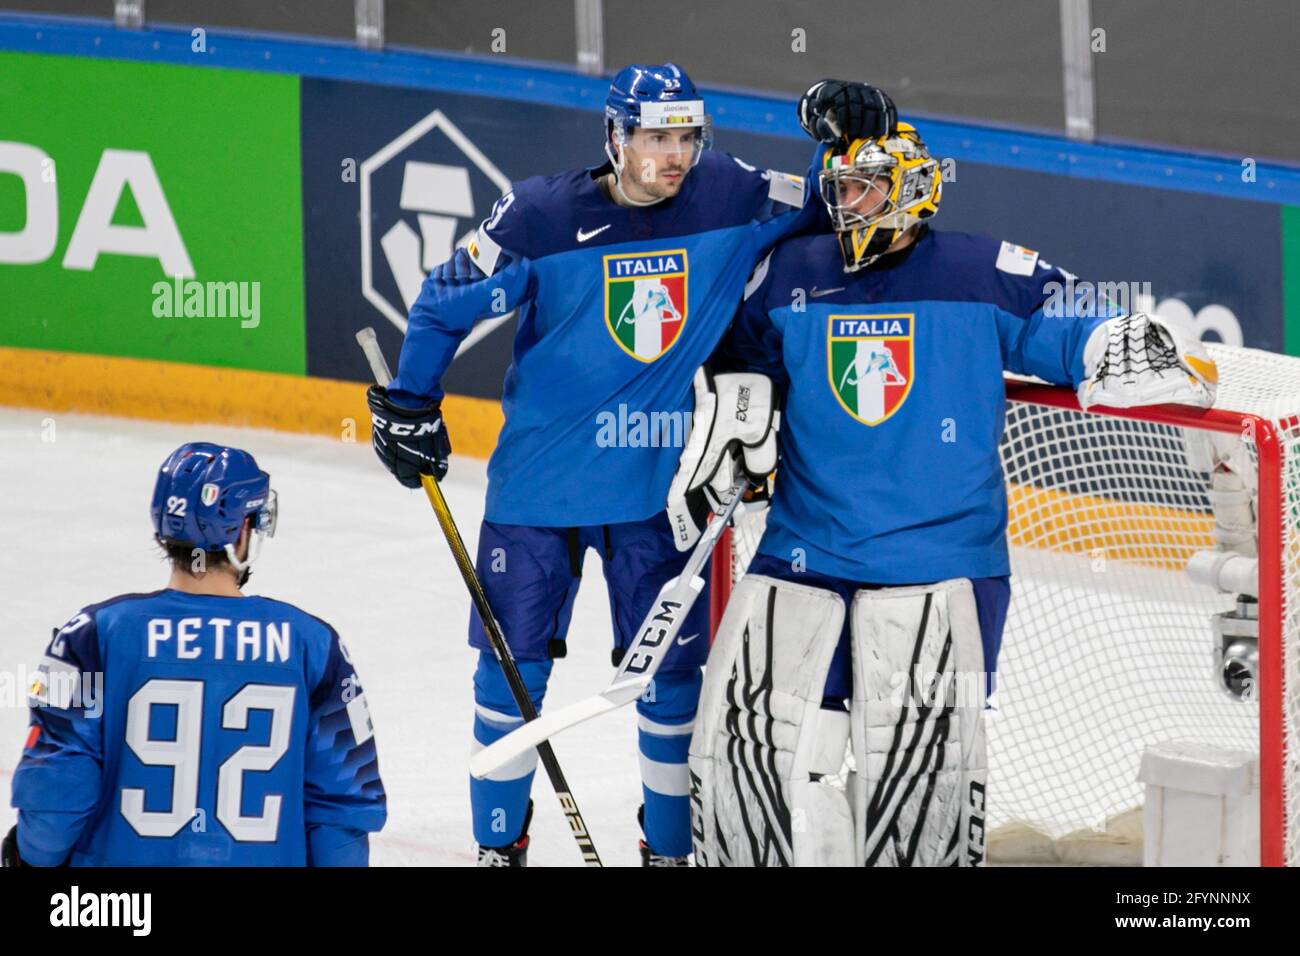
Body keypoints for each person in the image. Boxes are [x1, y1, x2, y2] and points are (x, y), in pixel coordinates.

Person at [366, 63, 898, 865]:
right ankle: (497, 850)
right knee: (510, 681)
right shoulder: (540, 214)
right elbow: (446, 300)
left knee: (672, 683)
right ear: (614, 136)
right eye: (656, 137)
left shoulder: (729, 194)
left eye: (687, 135)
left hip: (659, 496)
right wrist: (410, 404)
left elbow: (843, 201)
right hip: (536, 492)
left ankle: (668, 852)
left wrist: (858, 135)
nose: (675, 154)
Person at [670, 107, 1218, 866]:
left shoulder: (981, 269)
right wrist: (741, 412)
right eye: (839, 189)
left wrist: (1112, 341)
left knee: (918, 786)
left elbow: (1069, 319)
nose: (844, 206)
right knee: (765, 768)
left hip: (946, 566)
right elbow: (741, 350)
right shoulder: (795, 271)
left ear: (910, 191)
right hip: (804, 556)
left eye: (862, 189)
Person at [3, 442, 386, 867]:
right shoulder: (313, 645)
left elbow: (57, 793)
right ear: (242, 530)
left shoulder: (90, 637)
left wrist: (28, 856)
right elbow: (343, 806)